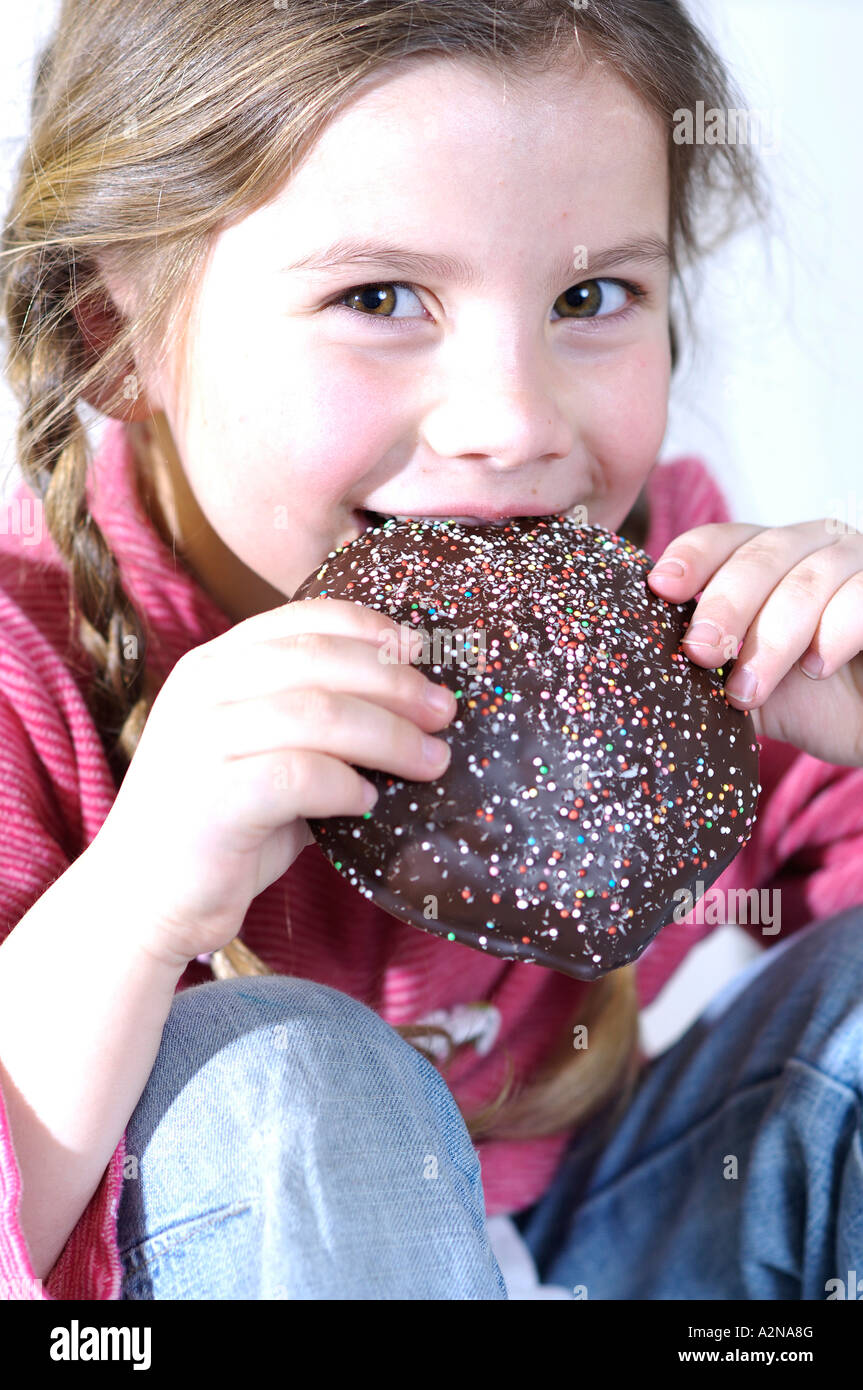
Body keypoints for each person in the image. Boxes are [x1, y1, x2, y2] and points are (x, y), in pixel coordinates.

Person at [0, 0, 861, 1301]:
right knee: (289, 1075)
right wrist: (130, 906)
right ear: (112, 336)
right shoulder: (26, 676)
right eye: (381, 297)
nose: (513, 422)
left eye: (591, 294)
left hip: (631, 1255)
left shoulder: (696, 611)